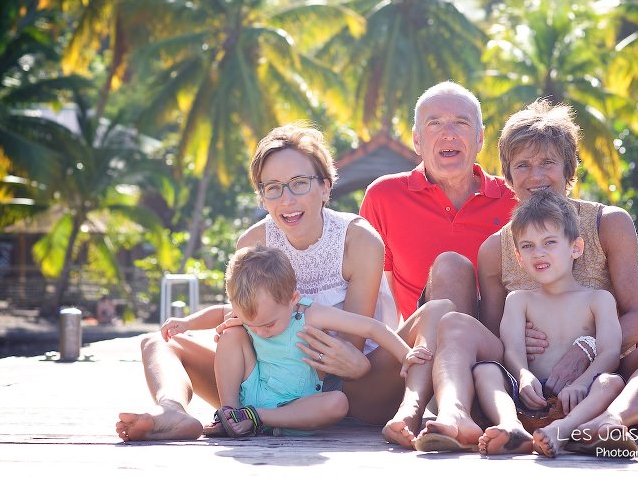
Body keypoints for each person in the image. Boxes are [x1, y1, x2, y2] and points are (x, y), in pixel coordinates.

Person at [116, 122, 454, 443]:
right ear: (262, 197)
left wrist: (360, 365)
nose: (286, 199)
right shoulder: (253, 243)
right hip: (270, 383)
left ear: (325, 187)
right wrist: (228, 330)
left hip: (354, 384)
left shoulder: (358, 239)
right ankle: (173, 411)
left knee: (437, 311)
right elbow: (241, 320)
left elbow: (353, 345)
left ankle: (408, 414)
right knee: (158, 342)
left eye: (299, 183)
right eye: (273, 188)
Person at [418, 99, 638, 452]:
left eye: (547, 162)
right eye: (522, 165)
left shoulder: (608, 223)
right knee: (459, 327)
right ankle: (476, 417)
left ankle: (608, 423)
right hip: (526, 387)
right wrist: (520, 351)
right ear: (508, 177)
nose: (536, 176)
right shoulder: (495, 248)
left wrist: (587, 347)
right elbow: (494, 335)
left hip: (601, 378)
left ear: (568, 169)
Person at [160, 245, 431, 437]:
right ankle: (230, 413)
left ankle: (256, 418)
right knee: (231, 334)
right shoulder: (250, 312)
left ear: (293, 299)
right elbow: (219, 312)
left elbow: (371, 328)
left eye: (269, 324)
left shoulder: (310, 314)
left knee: (337, 402)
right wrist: (188, 323)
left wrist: (404, 354)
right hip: (254, 389)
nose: (260, 332)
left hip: (298, 405)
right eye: (252, 323)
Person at [471, 189, 631, 457]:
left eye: (550, 242)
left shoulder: (598, 299)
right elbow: (512, 349)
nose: (538, 253)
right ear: (519, 258)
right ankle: (510, 425)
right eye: (528, 246)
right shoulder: (519, 300)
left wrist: (582, 382)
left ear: (576, 248)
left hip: (578, 398)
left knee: (611, 382)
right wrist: (523, 375)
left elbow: (610, 352)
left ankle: (562, 429)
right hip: (528, 396)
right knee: (485, 371)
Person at [360, 81, 517, 321]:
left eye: (461, 123)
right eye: (435, 123)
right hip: (423, 339)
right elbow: (380, 303)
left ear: (480, 138)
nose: (448, 134)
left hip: (499, 338)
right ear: (417, 140)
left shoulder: (515, 198)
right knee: (450, 267)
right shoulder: (383, 197)